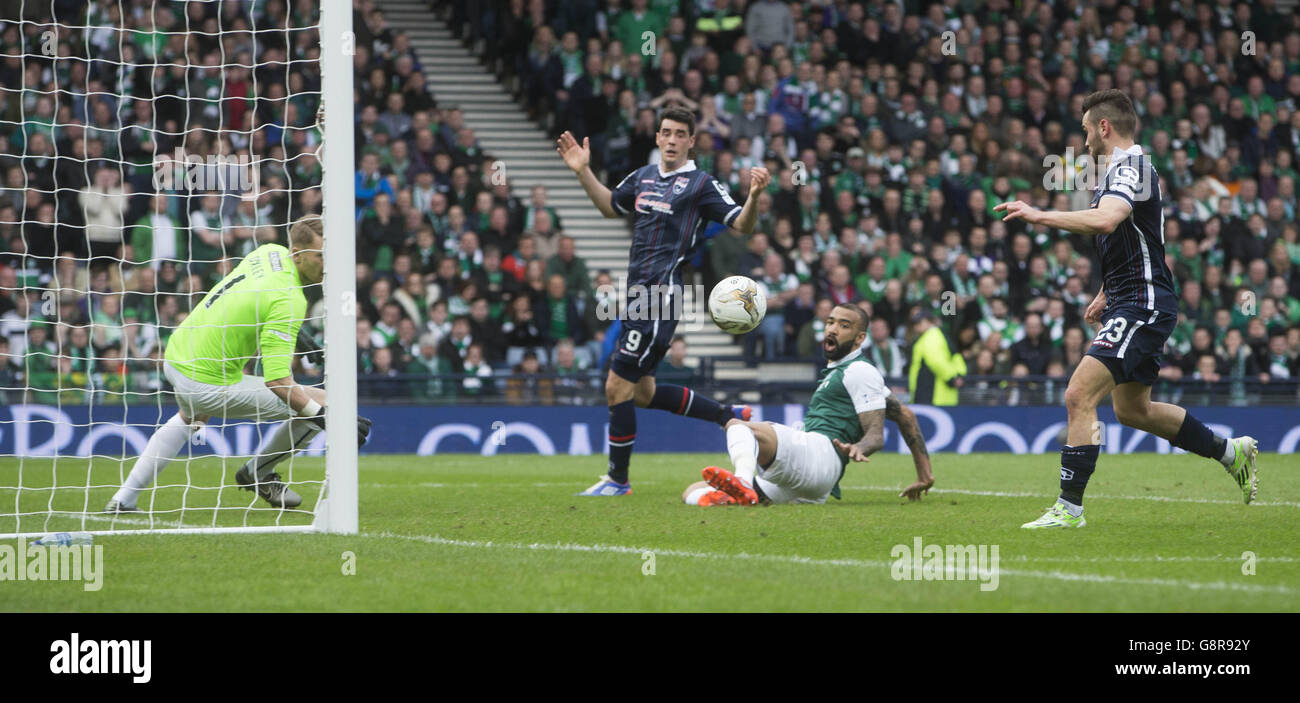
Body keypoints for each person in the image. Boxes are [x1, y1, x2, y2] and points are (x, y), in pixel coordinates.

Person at [995, 89, 1258, 528]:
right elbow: (1136, 241)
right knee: (1133, 410)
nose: (1083, 143)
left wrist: (1038, 214)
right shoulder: (1118, 172)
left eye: (1085, 132)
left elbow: (1105, 220)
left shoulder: (1134, 168)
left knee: (1079, 394)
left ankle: (1069, 508)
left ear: (1104, 126)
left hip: (1144, 304)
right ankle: (1232, 452)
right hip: (1131, 298)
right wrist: (1105, 290)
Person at [556, 107, 772, 496]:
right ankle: (728, 416)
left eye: (680, 135)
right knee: (642, 392)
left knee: (616, 386)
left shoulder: (701, 184)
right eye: (666, 133)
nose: (671, 140)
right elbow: (609, 207)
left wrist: (754, 196)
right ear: (657, 137)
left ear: (691, 141)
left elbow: (742, 224)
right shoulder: (642, 177)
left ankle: (617, 481)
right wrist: (582, 171)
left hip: (661, 297)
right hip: (637, 294)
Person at [105, 218, 371, 513]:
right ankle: (258, 472)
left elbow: (248, 300)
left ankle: (123, 500)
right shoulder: (289, 299)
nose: (328, 264)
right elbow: (279, 383)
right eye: (322, 256)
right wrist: (323, 417)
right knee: (327, 402)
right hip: (205, 380)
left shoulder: (268, 252)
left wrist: (298, 335)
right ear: (297, 254)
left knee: (191, 417)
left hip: (179, 353)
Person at [683, 303, 934, 506]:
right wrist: (925, 476)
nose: (833, 329)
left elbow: (876, 436)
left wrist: (860, 447)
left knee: (739, 425)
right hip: (816, 481)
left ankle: (742, 481)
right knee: (692, 491)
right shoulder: (850, 371)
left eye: (843, 326)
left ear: (859, 339)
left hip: (819, 455)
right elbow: (906, 415)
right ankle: (736, 494)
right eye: (830, 322)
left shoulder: (859, 370)